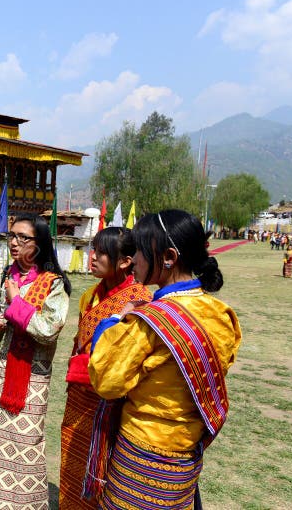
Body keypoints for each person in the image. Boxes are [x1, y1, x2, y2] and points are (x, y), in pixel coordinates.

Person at [88, 210, 241, 509]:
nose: (134, 260)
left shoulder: (147, 323)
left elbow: (106, 380)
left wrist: (115, 321)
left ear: (168, 256)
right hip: (183, 462)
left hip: (141, 459)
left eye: (140, 252)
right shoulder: (221, 315)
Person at [0, 215, 71, 510]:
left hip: (31, 380)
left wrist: (16, 304)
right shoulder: (1, 276)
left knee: (27, 447)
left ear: (39, 244)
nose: (14, 242)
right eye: (12, 236)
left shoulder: (52, 285)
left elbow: (49, 330)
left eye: (23, 237)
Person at [58, 227, 151, 509]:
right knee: (72, 463)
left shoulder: (141, 301)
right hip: (79, 398)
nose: (92, 257)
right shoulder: (89, 296)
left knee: (104, 471)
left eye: (101, 252)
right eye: (92, 250)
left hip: (112, 404)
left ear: (124, 261)